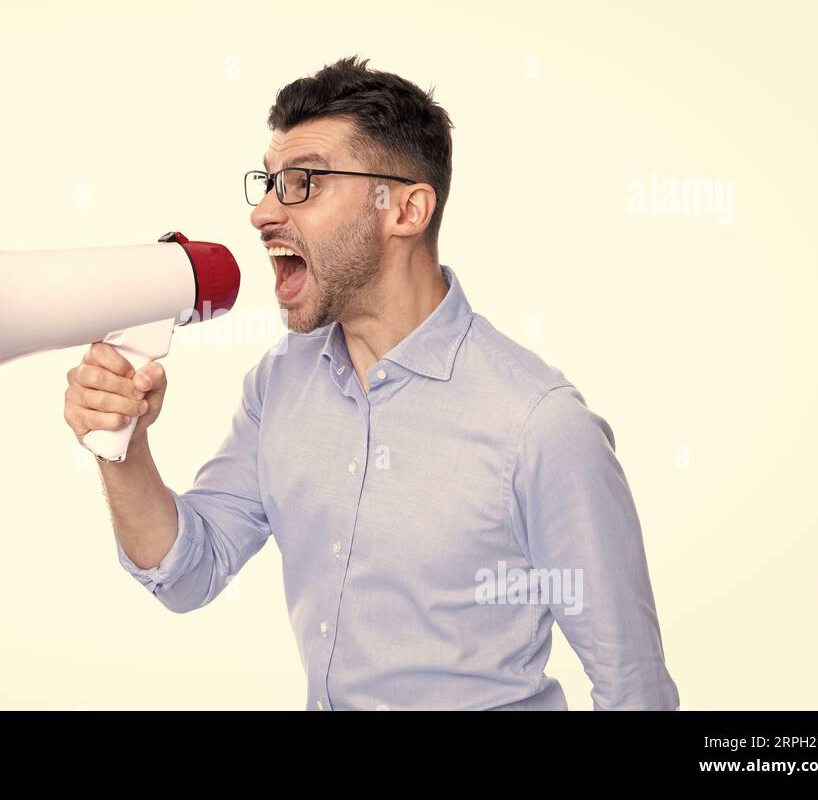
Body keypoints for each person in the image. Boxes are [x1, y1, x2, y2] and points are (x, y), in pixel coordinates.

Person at [63, 56, 680, 711]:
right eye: (269, 182)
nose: (263, 213)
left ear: (406, 209)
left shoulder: (538, 424)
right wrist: (121, 446)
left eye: (304, 182)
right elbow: (188, 571)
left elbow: (633, 689)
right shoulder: (281, 381)